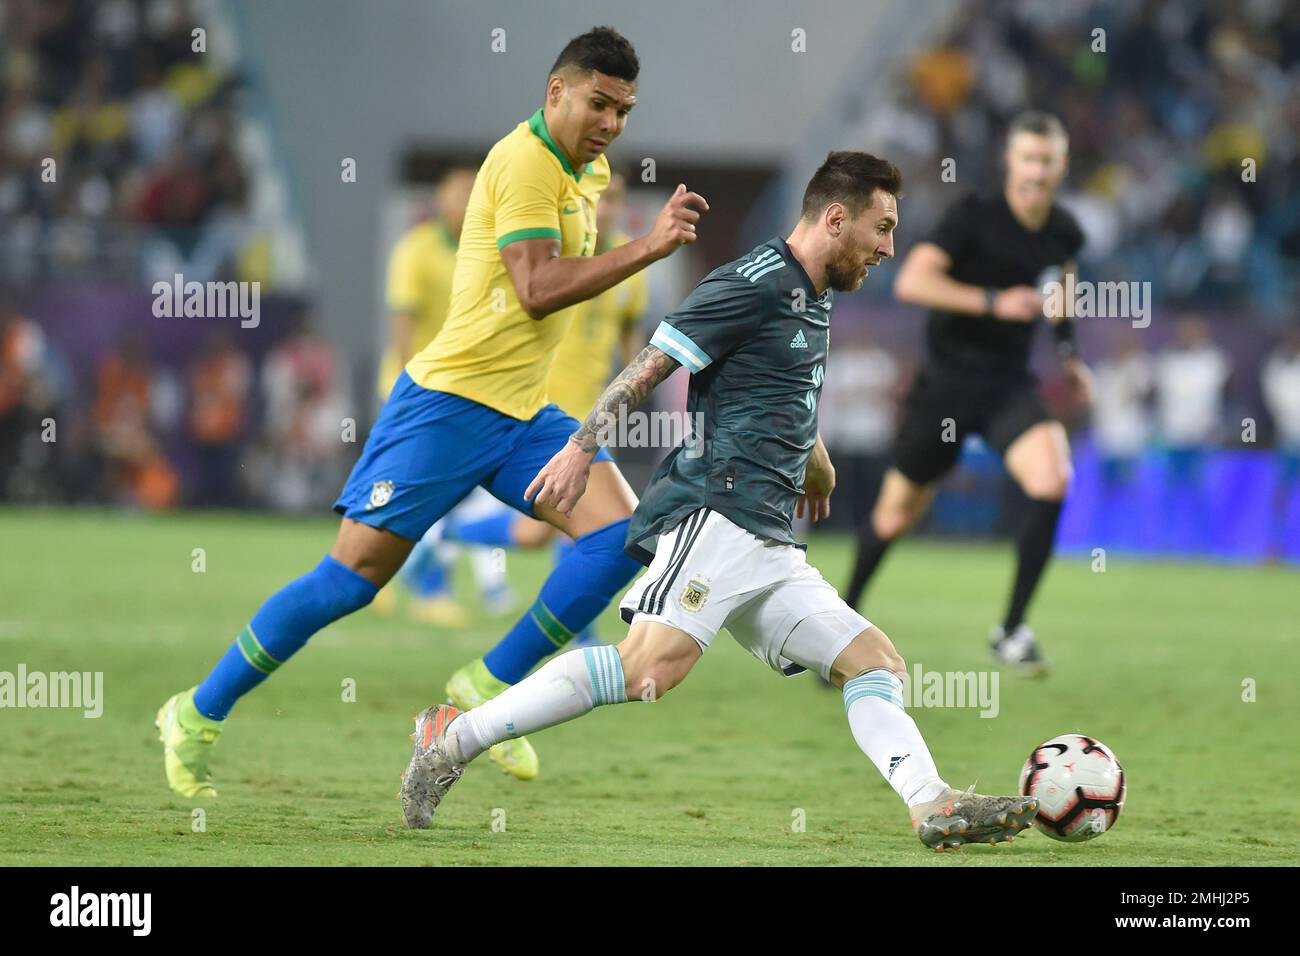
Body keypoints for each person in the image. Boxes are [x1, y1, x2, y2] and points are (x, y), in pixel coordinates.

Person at [398, 152, 1039, 852]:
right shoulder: (751, 283)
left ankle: (930, 802)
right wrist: (581, 449)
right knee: (646, 670)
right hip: (717, 510)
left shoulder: (815, 291)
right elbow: (655, 362)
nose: (889, 247)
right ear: (835, 218)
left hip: (769, 539)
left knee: (875, 663)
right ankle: (452, 738)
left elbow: (782, 390)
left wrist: (814, 462)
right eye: (882, 228)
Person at [156, 27, 708, 798]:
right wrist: (647, 248)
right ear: (556, 92)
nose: (612, 123)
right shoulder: (523, 163)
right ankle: (196, 711)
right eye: (599, 103)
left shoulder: (590, 169)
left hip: (523, 413)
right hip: (447, 405)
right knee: (351, 579)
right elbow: (537, 287)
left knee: (625, 536)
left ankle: (485, 682)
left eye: (624, 110)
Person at [843, 111, 1091, 674]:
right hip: (948, 387)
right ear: (1010, 159)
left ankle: (1010, 631)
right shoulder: (972, 218)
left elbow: (1062, 292)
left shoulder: (1064, 232)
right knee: (895, 515)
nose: (1036, 170)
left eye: (1046, 160)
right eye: (1027, 158)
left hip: (1008, 386)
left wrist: (1070, 356)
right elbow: (912, 281)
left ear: (1061, 165)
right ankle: (839, 623)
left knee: (1053, 477)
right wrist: (992, 301)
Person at [437, 169, 648, 647]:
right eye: (599, 197)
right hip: (543, 413)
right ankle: (579, 630)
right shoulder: (554, 259)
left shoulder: (630, 271)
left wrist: (629, 401)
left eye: (615, 197)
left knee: (540, 535)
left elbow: (634, 348)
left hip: (594, 415)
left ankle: (450, 533)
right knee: (590, 526)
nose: (607, 206)